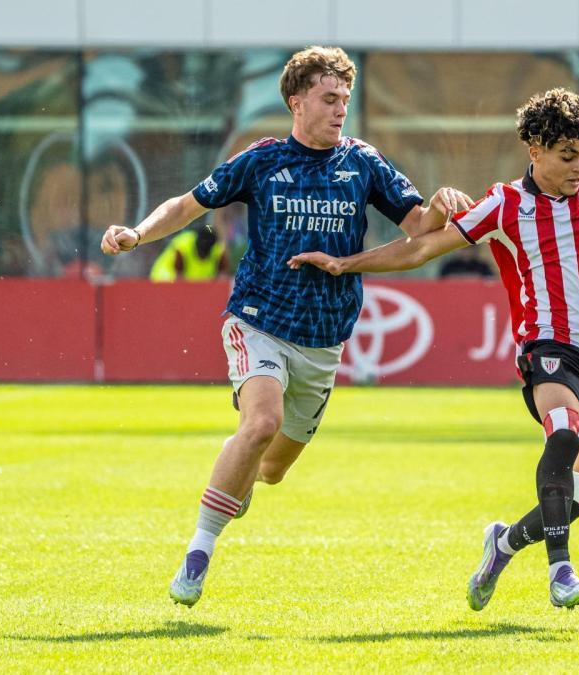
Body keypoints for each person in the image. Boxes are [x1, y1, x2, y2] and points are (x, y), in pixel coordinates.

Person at [290, 88, 579, 610]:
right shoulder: (505, 204)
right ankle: (561, 572)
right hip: (549, 346)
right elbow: (424, 248)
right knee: (564, 431)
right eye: (567, 156)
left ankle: (502, 544)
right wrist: (348, 263)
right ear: (535, 151)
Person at [99, 45, 472, 608]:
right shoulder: (262, 159)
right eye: (328, 98)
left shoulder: (364, 162)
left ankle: (239, 483)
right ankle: (198, 554)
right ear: (296, 102)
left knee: (270, 468)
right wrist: (137, 232)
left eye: (345, 99)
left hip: (324, 341)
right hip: (258, 319)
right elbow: (187, 204)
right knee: (260, 421)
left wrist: (441, 204)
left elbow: (419, 225)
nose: (339, 108)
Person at [150, 225, 229, 281]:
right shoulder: (183, 246)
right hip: (164, 278)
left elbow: (222, 279)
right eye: (201, 249)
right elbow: (178, 277)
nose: (203, 254)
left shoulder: (218, 250)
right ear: (197, 243)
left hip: (192, 284)